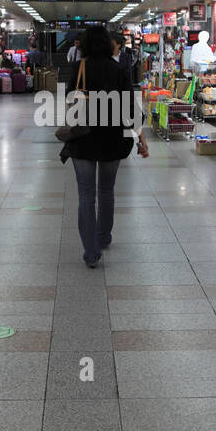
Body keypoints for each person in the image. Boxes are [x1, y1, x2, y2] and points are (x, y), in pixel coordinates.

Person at [60, 25, 148, 267]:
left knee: (86, 195)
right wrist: (141, 138)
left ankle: (90, 252)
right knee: (107, 190)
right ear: (109, 44)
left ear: (86, 44)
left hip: (83, 139)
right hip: (112, 139)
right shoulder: (120, 69)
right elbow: (131, 108)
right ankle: (103, 236)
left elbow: (70, 103)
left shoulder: (79, 69)